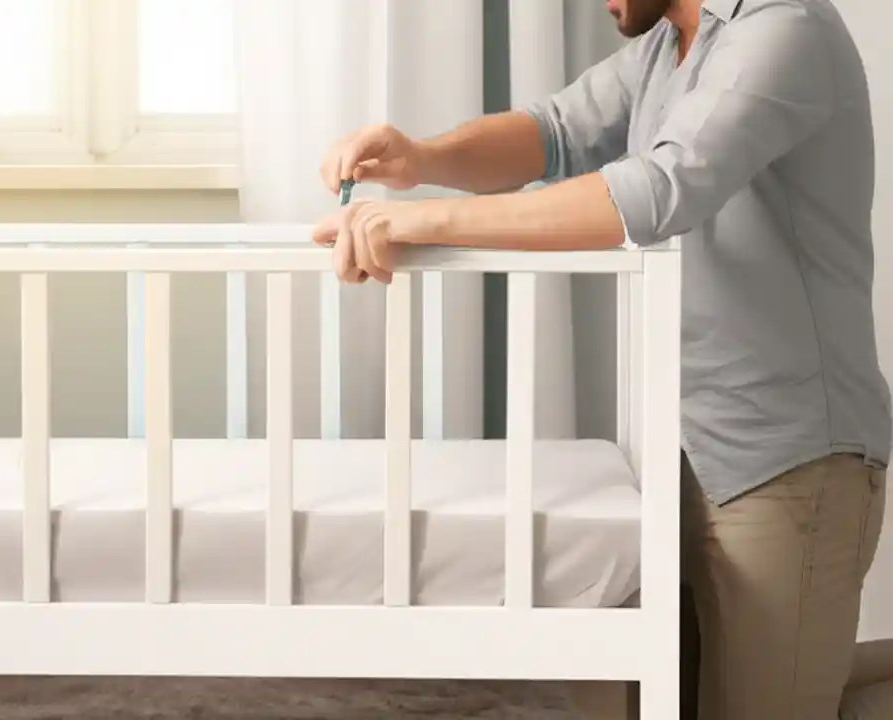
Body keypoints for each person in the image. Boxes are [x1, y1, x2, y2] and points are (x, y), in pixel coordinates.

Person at [311, 0, 893, 717]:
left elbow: (655, 193)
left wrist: (423, 220)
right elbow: (551, 132)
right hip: (678, 445)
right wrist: (421, 158)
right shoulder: (669, 51)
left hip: (786, 456)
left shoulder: (784, 31)